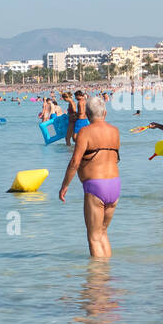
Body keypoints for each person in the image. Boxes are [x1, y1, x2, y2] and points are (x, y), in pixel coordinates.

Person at [59, 94, 121, 258]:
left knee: (93, 238)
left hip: (96, 187)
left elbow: (75, 162)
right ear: (105, 113)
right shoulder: (115, 131)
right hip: (115, 185)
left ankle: (96, 281)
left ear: (86, 114)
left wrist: (65, 185)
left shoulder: (85, 132)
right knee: (102, 232)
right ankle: (107, 275)